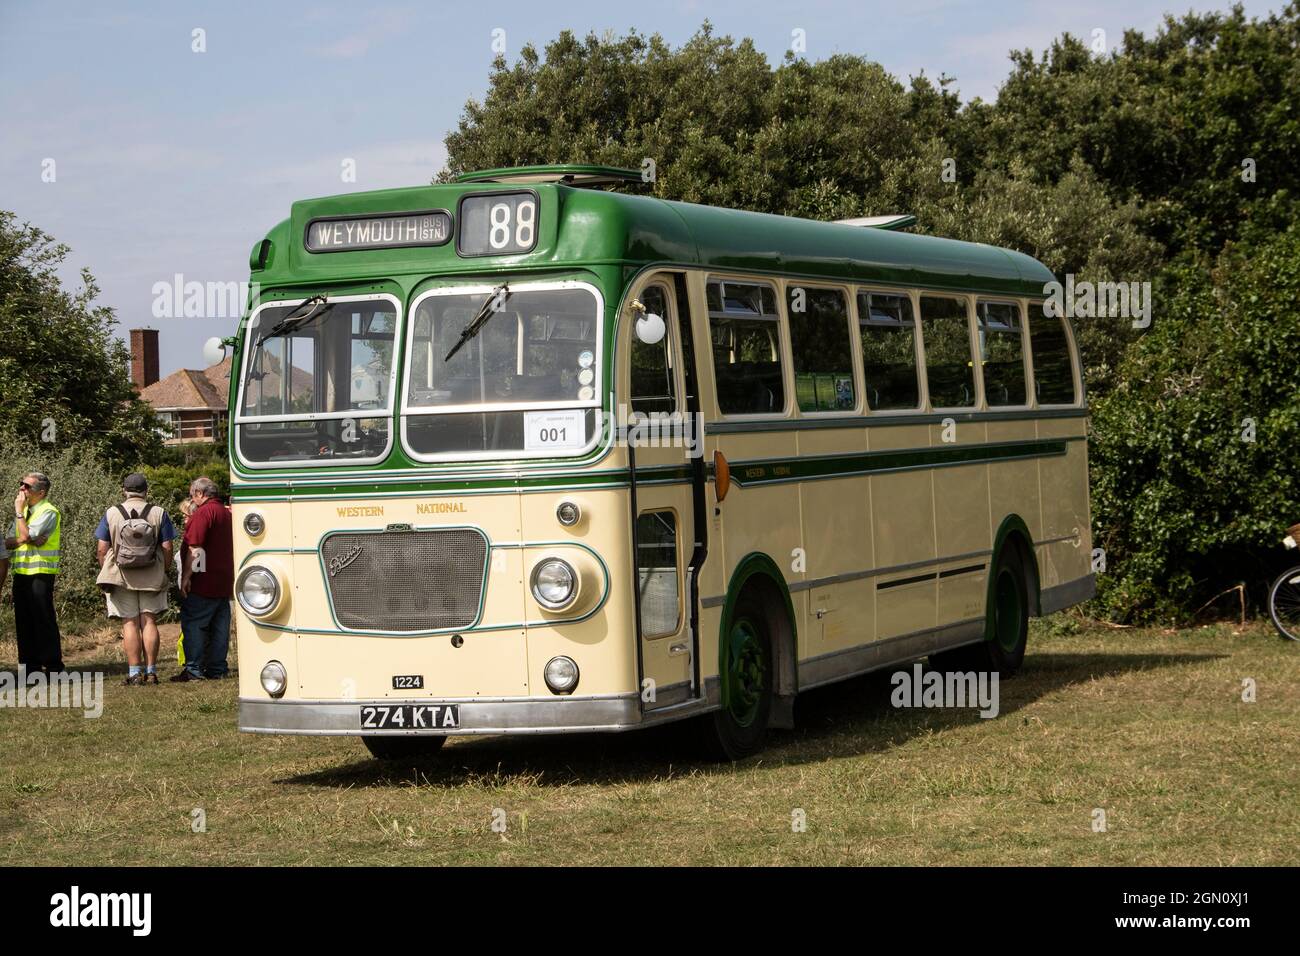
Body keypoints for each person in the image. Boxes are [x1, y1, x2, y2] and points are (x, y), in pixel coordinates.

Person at [95, 473, 176, 686]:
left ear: (124, 490)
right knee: (149, 621)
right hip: (152, 574)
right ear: (146, 490)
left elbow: (102, 548)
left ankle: (134, 674)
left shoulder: (112, 513)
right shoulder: (159, 512)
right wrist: (163, 568)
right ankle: (151, 672)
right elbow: (168, 547)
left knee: (129, 622)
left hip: (121, 575)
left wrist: (108, 569)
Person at [175, 476, 233, 682]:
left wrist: (187, 577)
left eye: (193, 495)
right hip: (225, 579)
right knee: (220, 627)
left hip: (205, 580)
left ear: (200, 494)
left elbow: (195, 548)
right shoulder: (226, 514)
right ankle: (217, 668)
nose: (192, 499)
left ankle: (194, 669)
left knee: (194, 624)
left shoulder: (203, 513)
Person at [5, 472, 64, 672]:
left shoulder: (48, 511)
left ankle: (53, 665)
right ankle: (30, 666)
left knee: (43, 618)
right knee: (23, 620)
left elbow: (24, 535)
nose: (22, 489)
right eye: (21, 484)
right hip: (21, 572)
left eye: (27, 486)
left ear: (41, 492)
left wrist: (20, 518)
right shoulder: (26, 513)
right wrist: (25, 537)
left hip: (40, 572)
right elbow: (10, 542)